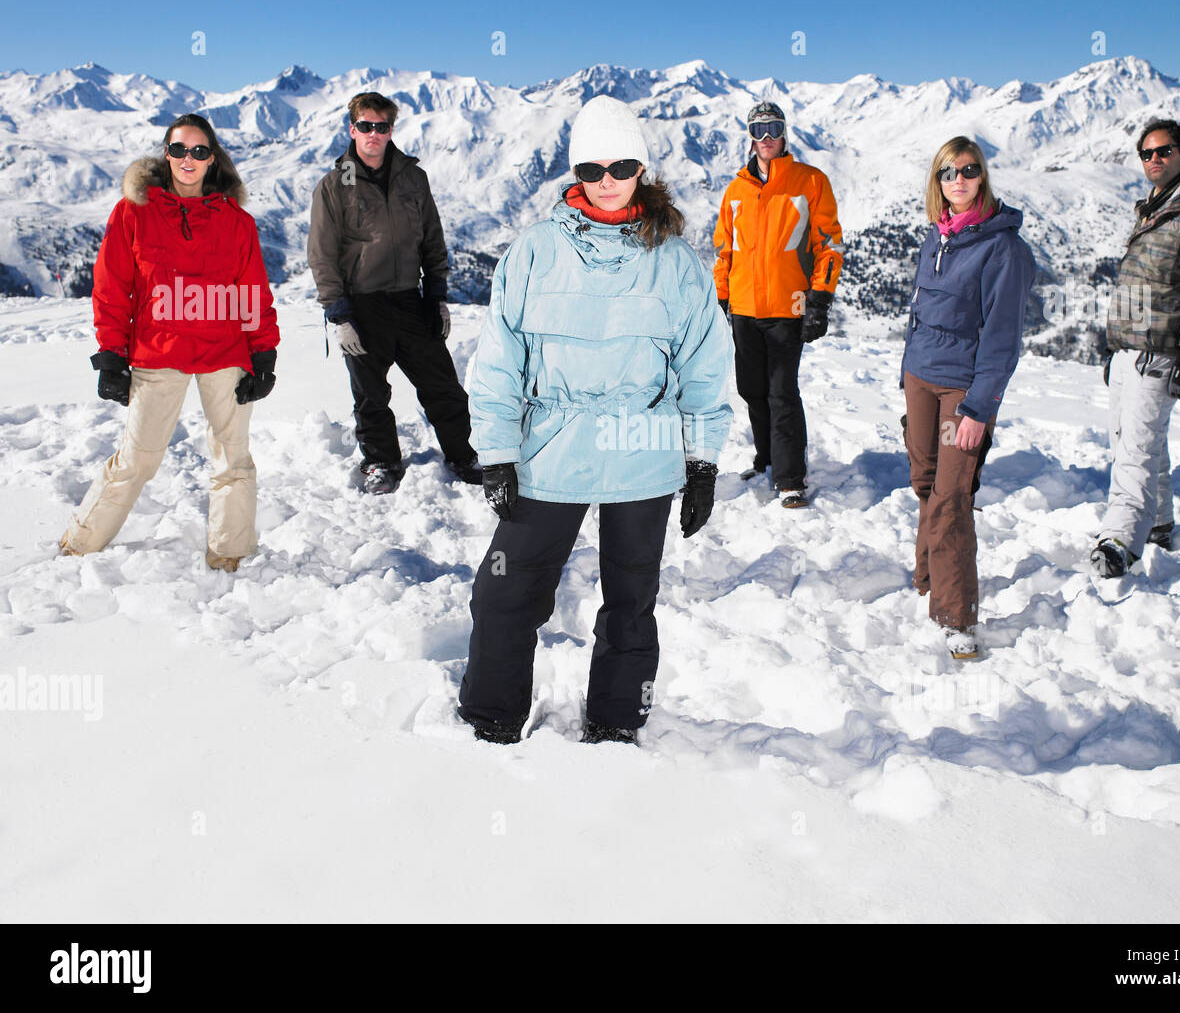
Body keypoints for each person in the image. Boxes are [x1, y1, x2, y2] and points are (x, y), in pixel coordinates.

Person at [458, 95, 733, 746]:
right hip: (554, 447)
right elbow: (499, 359)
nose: (607, 180)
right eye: (591, 168)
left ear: (643, 168)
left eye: (622, 165)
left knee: (631, 603)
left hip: (643, 447)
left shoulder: (675, 263)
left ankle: (616, 722)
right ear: (574, 171)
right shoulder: (535, 253)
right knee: (504, 591)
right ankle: (489, 717)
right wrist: (497, 450)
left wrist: (701, 460)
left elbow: (703, 367)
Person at [58, 114, 280, 571]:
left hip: (225, 352)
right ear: (166, 154)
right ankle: (79, 544)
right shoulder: (132, 212)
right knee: (137, 458)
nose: (188, 160)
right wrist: (110, 355)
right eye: (179, 150)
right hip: (159, 353)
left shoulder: (236, 221)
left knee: (232, 459)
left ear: (212, 158)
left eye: (199, 151)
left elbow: (252, 290)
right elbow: (112, 287)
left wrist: (263, 352)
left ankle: (229, 553)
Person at [308, 91, 481, 495]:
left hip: (410, 299)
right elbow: (322, 254)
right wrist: (338, 314)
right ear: (352, 130)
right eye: (365, 126)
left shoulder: (412, 177)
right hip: (362, 306)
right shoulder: (335, 185)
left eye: (381, 127)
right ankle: (381, 462)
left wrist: (437, 294)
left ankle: (463, 454)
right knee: (371, 394)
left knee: (443, 385)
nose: (373, 134)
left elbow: (432, 238)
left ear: (391, 130)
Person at [901, 136, 1034, 660]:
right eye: (947, 172)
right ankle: (929, 579)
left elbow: (1003, 338)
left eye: (968, 169)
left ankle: (956, 617)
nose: (958, 179)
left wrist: (980, 407)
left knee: (953, 496)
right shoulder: (936, 238)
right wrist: (907, 371)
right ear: (937, 181)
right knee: (925, 484)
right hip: (919, 379)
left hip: (962, 390)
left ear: (983, 176)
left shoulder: (1003, 249)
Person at [1091, 119, 1180, 578]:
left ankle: (1119, 542)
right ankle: (1158, 525)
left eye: (1165, 151)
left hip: (1160, 349)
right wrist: (1114, 346)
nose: (1154, 159)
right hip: (1130, 349)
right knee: (1140, 443)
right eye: (1147, 153)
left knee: (1135, 450)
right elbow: (1141, 284)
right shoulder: (1157, 206)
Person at [712, 101, 843, 509]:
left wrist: (819, 298)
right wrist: (721, 298)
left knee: (782, 392)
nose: (766, 137)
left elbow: (829, 243)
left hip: (789, 306)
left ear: (785, 133)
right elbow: (723, 248)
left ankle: (790, 480)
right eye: (758, 129)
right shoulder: (736, 189)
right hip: (744, 309)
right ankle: (767, 459)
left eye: (773, 128)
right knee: (753, 390)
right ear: (749, 136)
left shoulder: (809, 181)